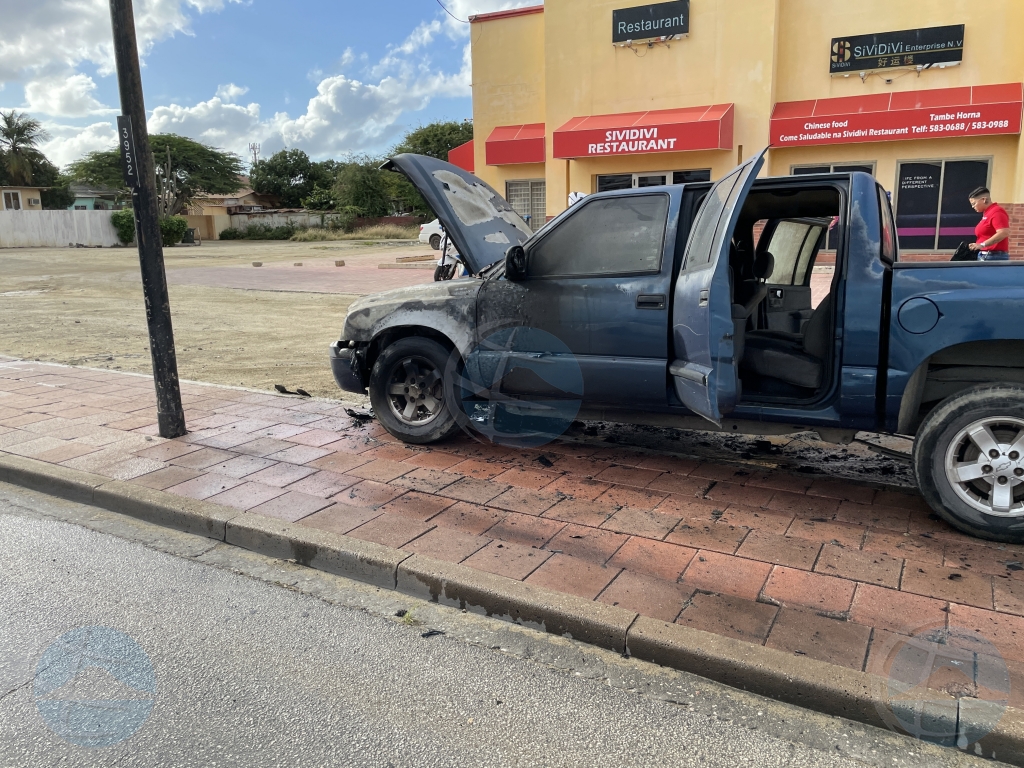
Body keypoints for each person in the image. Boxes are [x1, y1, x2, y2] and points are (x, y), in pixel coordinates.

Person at [968, 187, 1011, 261]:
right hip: (986, 255)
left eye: (974, 203)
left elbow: (1003, 232)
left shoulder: (997, 211)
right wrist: (977, 245)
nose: (973, 206)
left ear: (984, 200)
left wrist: (982, 245)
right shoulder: (988, 213)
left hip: (993, 256)